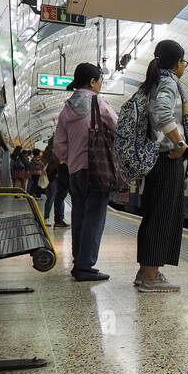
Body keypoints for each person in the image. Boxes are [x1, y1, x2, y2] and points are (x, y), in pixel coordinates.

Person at [133, 39, 188, 292]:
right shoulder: (169, 82)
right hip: (167, 159)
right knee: (163, 216)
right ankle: (151, 276)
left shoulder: (156, 81)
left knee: (155, 214)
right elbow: (162, 113)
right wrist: (179, 144)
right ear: (178, 62)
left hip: (157, 159)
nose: (184, 66)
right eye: (183, 61)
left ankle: (146, 271)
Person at [54, 62, 118, 281]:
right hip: (97, 170)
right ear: (92, 81)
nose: (101, 84)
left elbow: (59, 145)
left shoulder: (66, 108)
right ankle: (85, 266)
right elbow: (117, 126)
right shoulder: (98, 102)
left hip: (75, 172)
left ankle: (78, 260)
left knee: (79, 216)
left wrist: (70, 161)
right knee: (94, 218)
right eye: (100, 80)